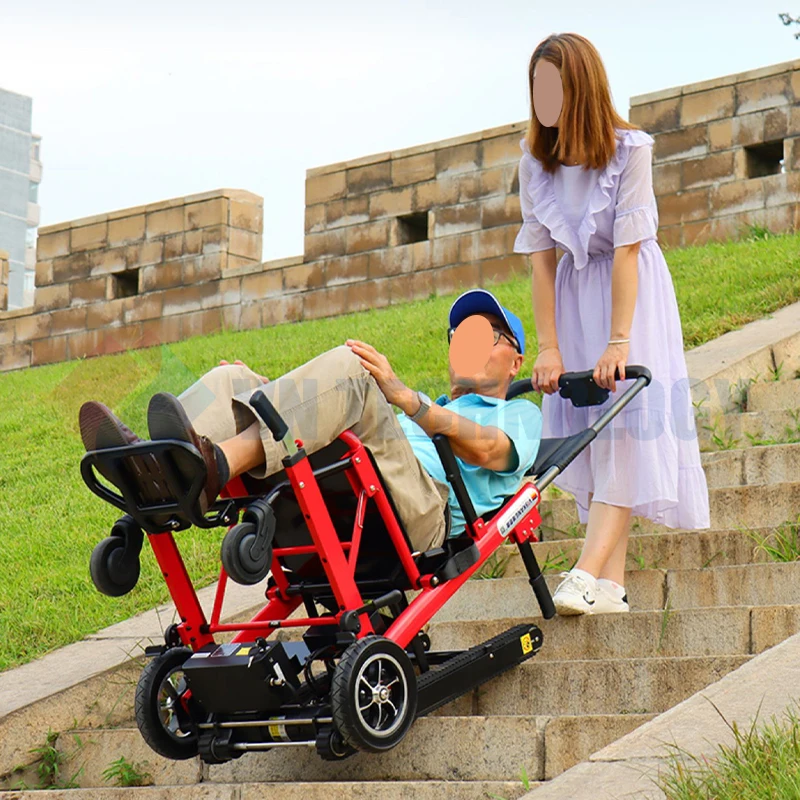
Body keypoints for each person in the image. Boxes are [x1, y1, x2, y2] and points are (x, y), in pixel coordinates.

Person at [79, 289, 542, 553]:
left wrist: (406, 399)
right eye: (461, 332)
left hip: (423, 514)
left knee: (355, 368)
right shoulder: (423, 408)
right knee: (231, 378)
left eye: (488, 334)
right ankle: (153, 468)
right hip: (356, 483)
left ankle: (213, 464)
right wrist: (253, 391)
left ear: (516, 360)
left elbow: (487, 450)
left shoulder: (520, 414)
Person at [514, 33, 710, 616]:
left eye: (555, 86)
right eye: (536, 87)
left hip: (630, 297)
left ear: (583, 88)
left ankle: (584, 570)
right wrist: (548, 345)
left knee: (625, 425)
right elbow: (541, 262)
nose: (544, 99)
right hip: (575, 296)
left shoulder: (631, 150)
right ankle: (611, 586)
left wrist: (619, 339)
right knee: (594, 430)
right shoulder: (534, 163)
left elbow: (628, 250)